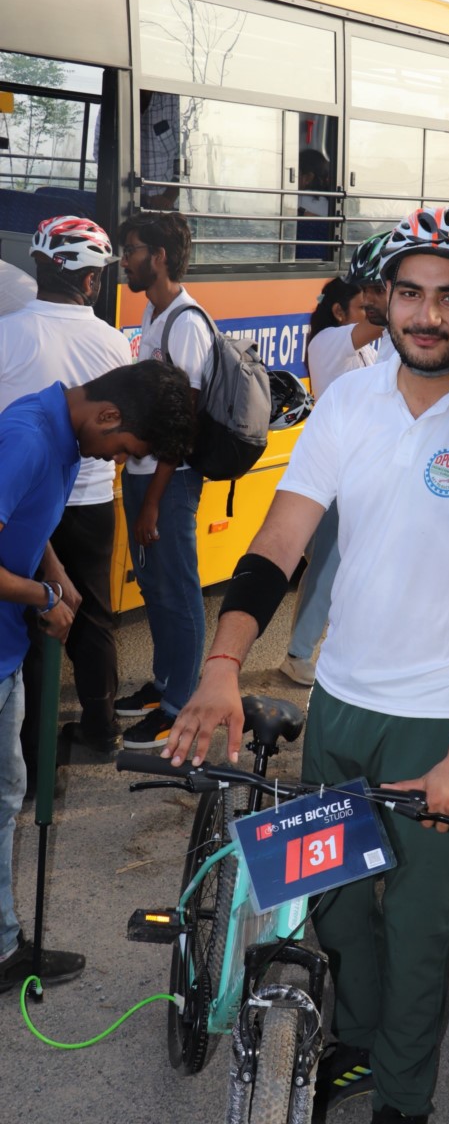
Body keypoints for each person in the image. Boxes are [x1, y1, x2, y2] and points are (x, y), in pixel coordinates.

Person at [162, 206, 449, 1123]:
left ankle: (404, 1101)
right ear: (384, 300)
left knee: (421, 934)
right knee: (335, 905)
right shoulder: (351, 398)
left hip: (441, 720)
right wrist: (225, 660)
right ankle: (360, 1044)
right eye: (411, 294)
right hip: (343, 705)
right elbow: (280, 539)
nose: (427, 316)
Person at [0, 360, 193, 994]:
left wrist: (56, 577)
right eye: (123, 450)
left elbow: (34, 518)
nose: (115, 462)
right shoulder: (30, 434)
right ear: (107, 416)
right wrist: (40, 595)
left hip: (6, 649)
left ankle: (2, 945)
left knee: (7, 792)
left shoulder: (60, 433)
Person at [0, 217, 132, 785]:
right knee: (94, 617)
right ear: (91, 282)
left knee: (31, 626)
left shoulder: (7, 333)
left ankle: (34, 755)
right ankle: (101, 728)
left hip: (20, 502)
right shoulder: (110, 339)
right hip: (91, 499)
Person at [115, 212, 213, 749]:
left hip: (167, 483)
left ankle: (180, 706)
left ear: (158, 256)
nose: (124, 260)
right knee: (154, 586)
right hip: (143, 474)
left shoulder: (186, 324)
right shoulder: (156, 316)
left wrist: (153, 500)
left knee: (178, 589)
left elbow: (184, 425)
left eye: (131, 249)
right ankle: (164, 683)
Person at [279, 277, 383, 686]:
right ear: (339, 312)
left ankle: (325, 647)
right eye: (363, 305)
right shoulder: (328, 342)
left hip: (361, 472)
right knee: (327, 566)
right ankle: (297, 654)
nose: (370, 311)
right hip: (335, 473)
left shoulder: (363, 352)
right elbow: (384, 321)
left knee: (344, 565)